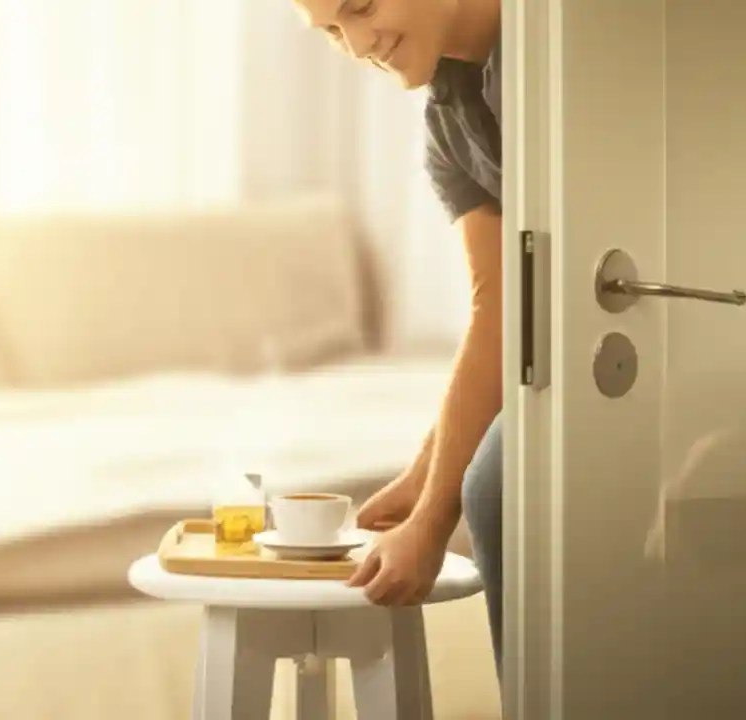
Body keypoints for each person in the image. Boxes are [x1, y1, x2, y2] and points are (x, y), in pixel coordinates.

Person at [291, 0, 505, 672]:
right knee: (489, 477)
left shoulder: (552, 59)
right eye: (331, 32)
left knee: (492, 481)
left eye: (360, 7)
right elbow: (497, 304)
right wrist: (422, 477)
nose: (357, 45)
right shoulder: (450, 122)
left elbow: (519, 309)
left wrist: (434, 522)